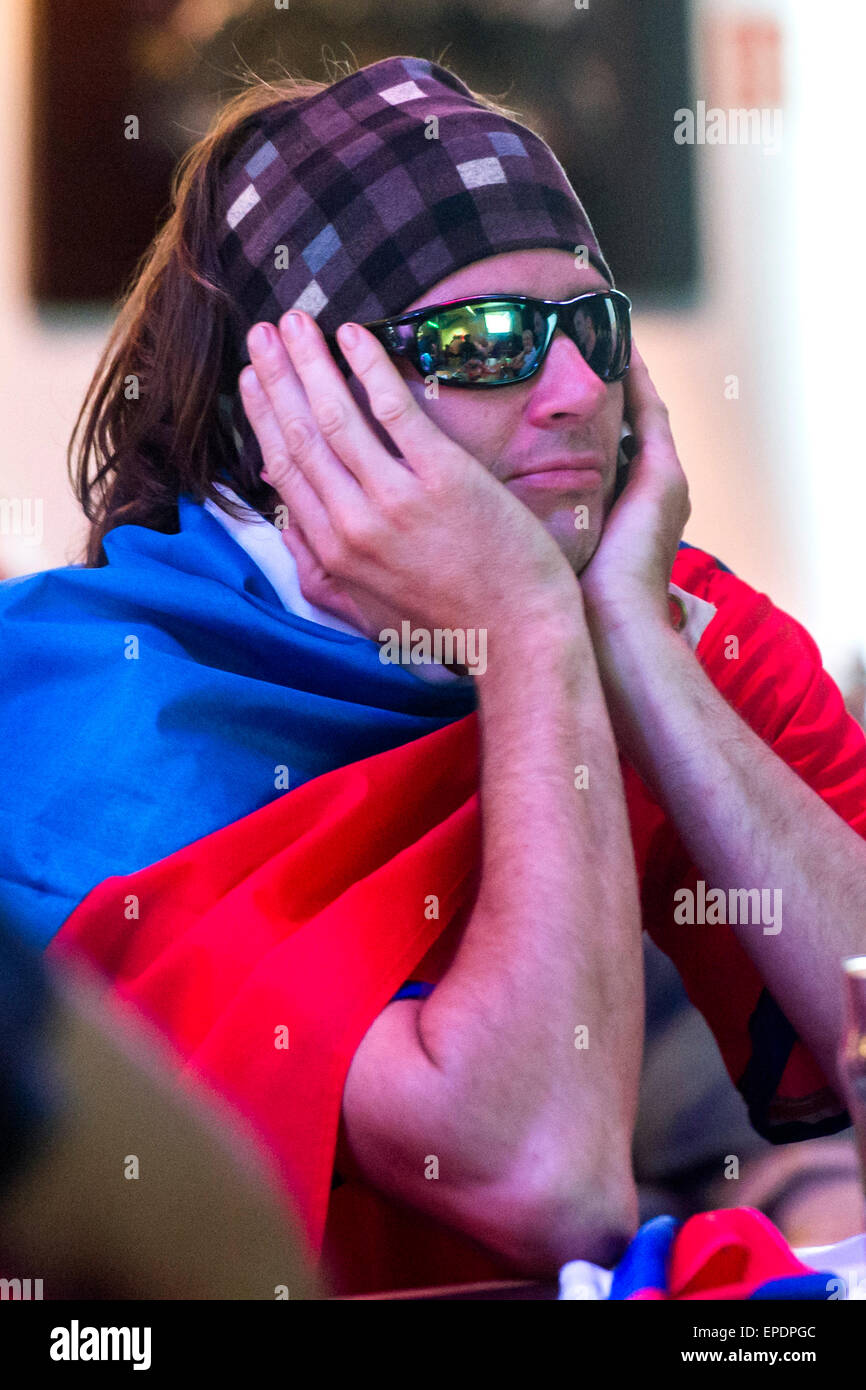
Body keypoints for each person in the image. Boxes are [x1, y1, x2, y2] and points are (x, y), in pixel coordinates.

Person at [3, 55, 866, 1293]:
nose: (579, 394)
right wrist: (526, 635)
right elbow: (544, 1180)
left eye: (592, 327)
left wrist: (628, 655)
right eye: (484, 341)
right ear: (298, 409)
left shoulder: (649, 614)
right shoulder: (91, 731)